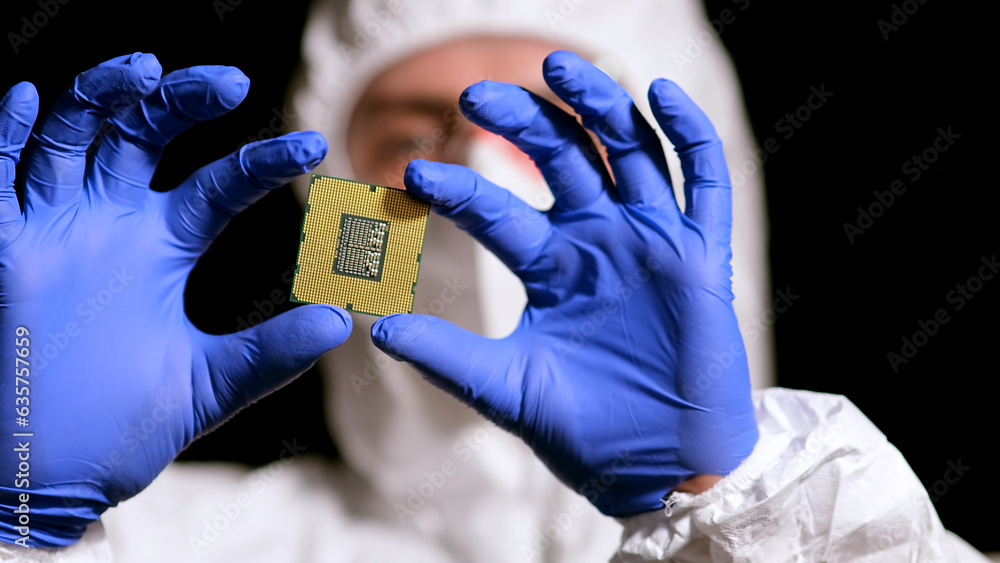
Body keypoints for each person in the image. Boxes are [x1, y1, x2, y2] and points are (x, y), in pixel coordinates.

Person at [0, 7, 989, 563]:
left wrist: (722, 496)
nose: (473, 169)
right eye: (409, 140)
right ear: (333, 216)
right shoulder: (173, 545)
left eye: (551, 129)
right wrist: (24, 519)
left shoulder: (845, 522)